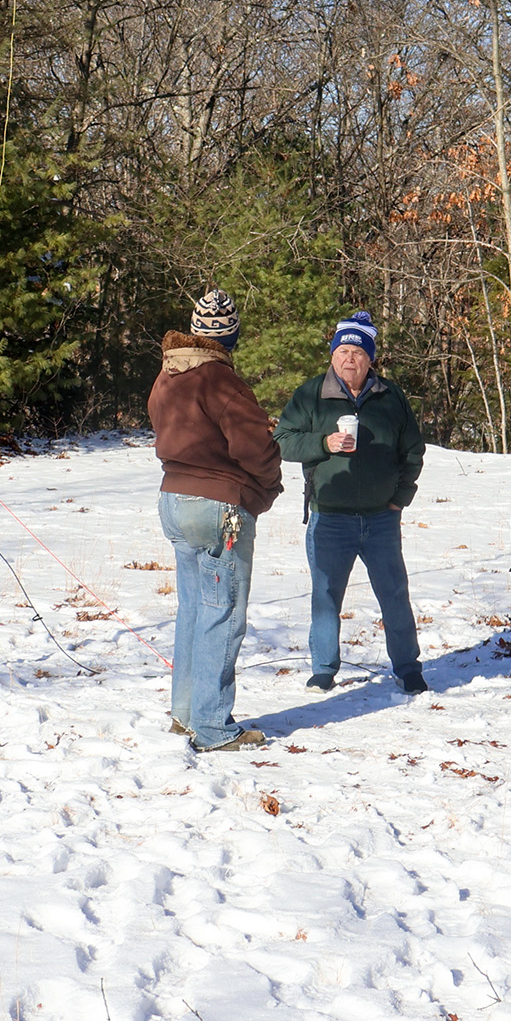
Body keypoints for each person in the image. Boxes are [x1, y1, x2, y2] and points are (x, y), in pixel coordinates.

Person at [149, 289, 282, 752]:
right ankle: (212, 726)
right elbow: (255, 446)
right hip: (217, 507)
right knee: (221, 612)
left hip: (173, 500)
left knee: (193, 609)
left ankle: (185, 714)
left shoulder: (167, 374)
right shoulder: (220, 380)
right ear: (231, 336)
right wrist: (268, 483)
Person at [274, 312, 429, 694]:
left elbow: (413, 451)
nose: (349, 359)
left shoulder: (390, 397)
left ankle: (408, 667)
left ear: (370, 359)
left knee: (394, 593)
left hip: (381, 519)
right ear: (332, 355)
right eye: (342, 350)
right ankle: (323, 669)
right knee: (326, 595)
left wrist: (399, 500)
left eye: (357, 353)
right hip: (330, 517)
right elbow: (281, 441)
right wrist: (322, 443)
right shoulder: (311, 394)